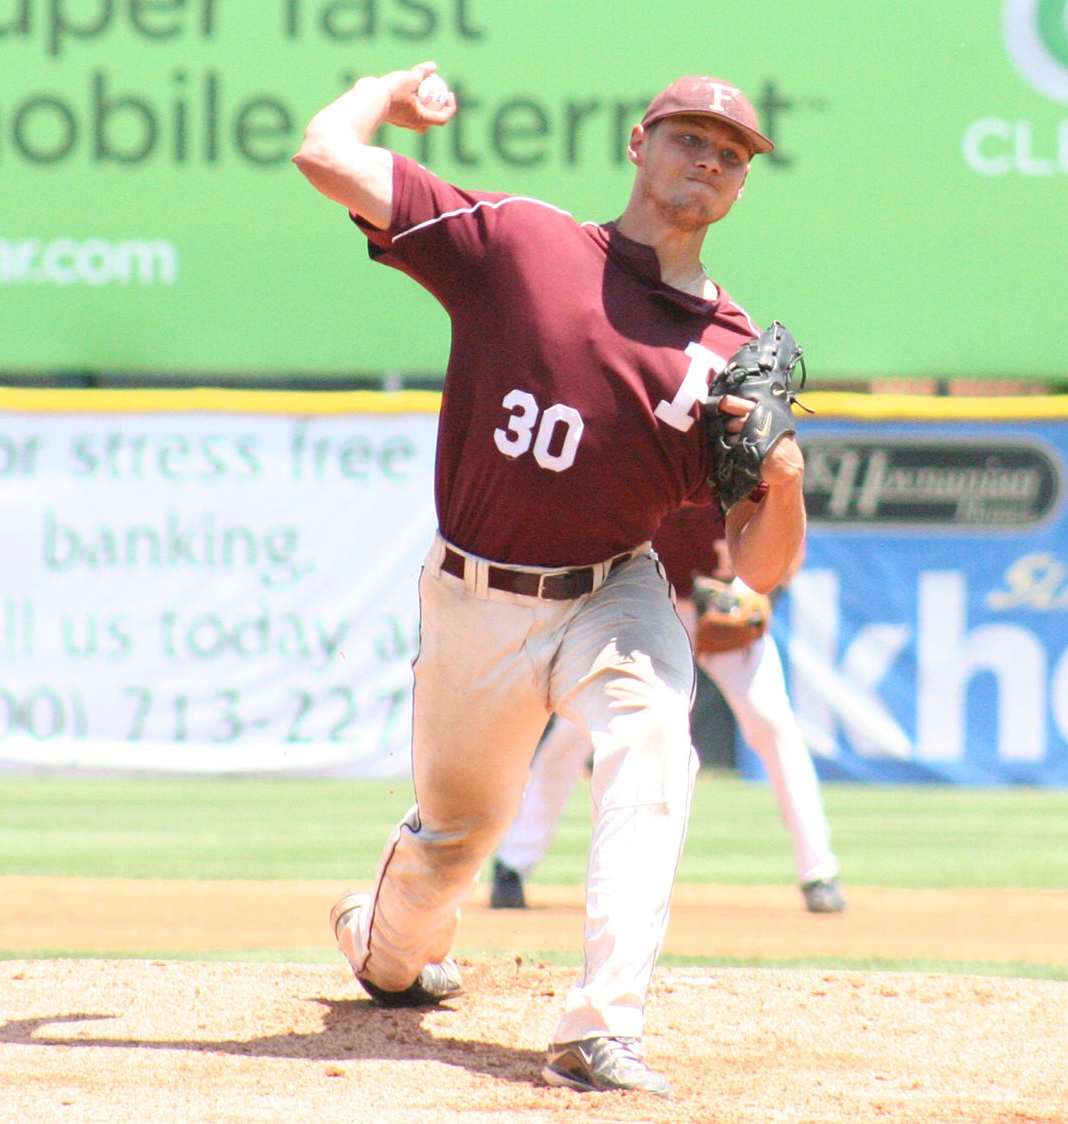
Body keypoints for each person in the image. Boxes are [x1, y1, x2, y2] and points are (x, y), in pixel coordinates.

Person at [291, 64, 806, 1099]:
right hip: (474, 596)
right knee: (455, 837)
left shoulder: (727, 351)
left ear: (743, 184)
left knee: (653, 736)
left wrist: (783, 477)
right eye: (687, 138)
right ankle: (383, 948)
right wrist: (380, 90)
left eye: (729, 152)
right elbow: (324, 157)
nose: (706, 160)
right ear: (637, 143)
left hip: (612, 594)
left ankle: (598, 1023)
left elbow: (757, 571)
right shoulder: (522, 244)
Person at [489, 501, 845, 915]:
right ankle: (513, 864)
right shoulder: (657, 449)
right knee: (573, 731)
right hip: (649, 612)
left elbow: (789, 542)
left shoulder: (749, 453)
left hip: (725, 606)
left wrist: (756, 596)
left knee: (773, 723)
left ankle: (819, 871)